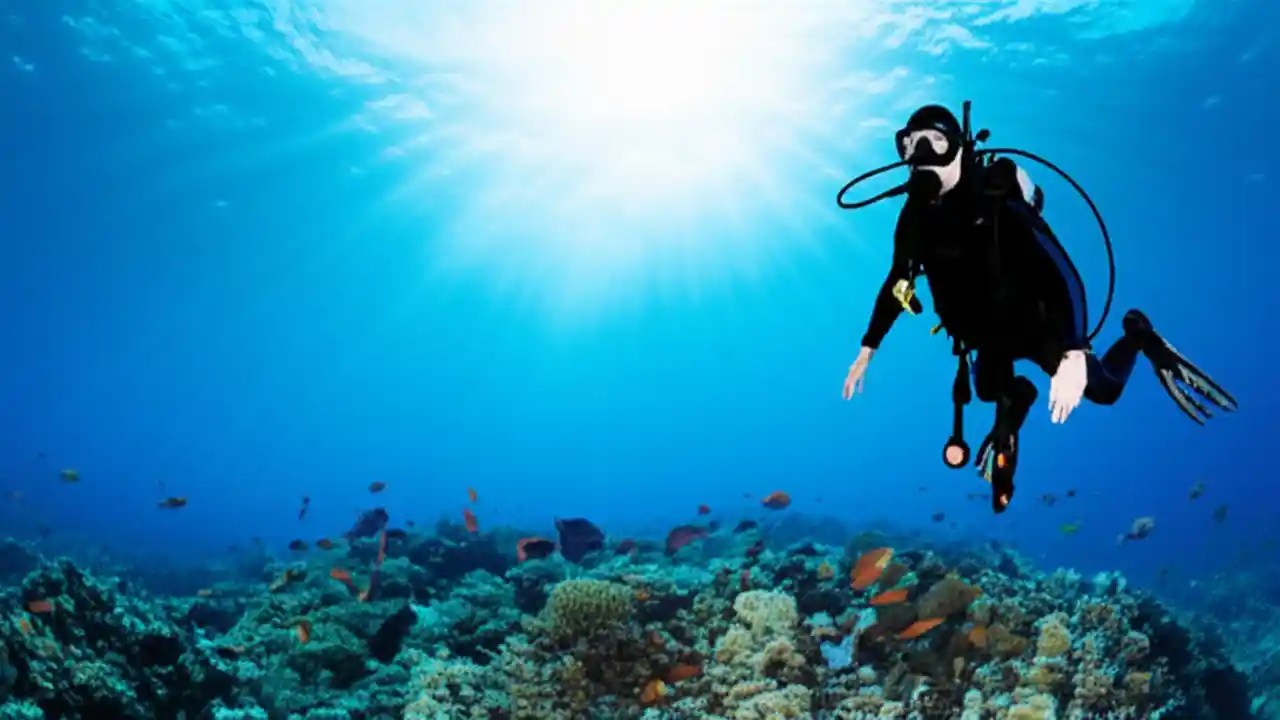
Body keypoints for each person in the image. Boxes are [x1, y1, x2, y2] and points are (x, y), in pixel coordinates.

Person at [838, 104, 1237, 514]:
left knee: (1102, 392)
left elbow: (1063, 272)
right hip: (983, 334)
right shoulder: (915, 218)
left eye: (936, 143)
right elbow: (897, 282)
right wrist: (868, 349)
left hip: (1035, 324)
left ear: (959, 149)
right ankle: (1017, 403)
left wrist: (1076, 350)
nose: (921, 155)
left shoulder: (998, 201)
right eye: (910, 144)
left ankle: (1139, 334)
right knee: (989, 389)